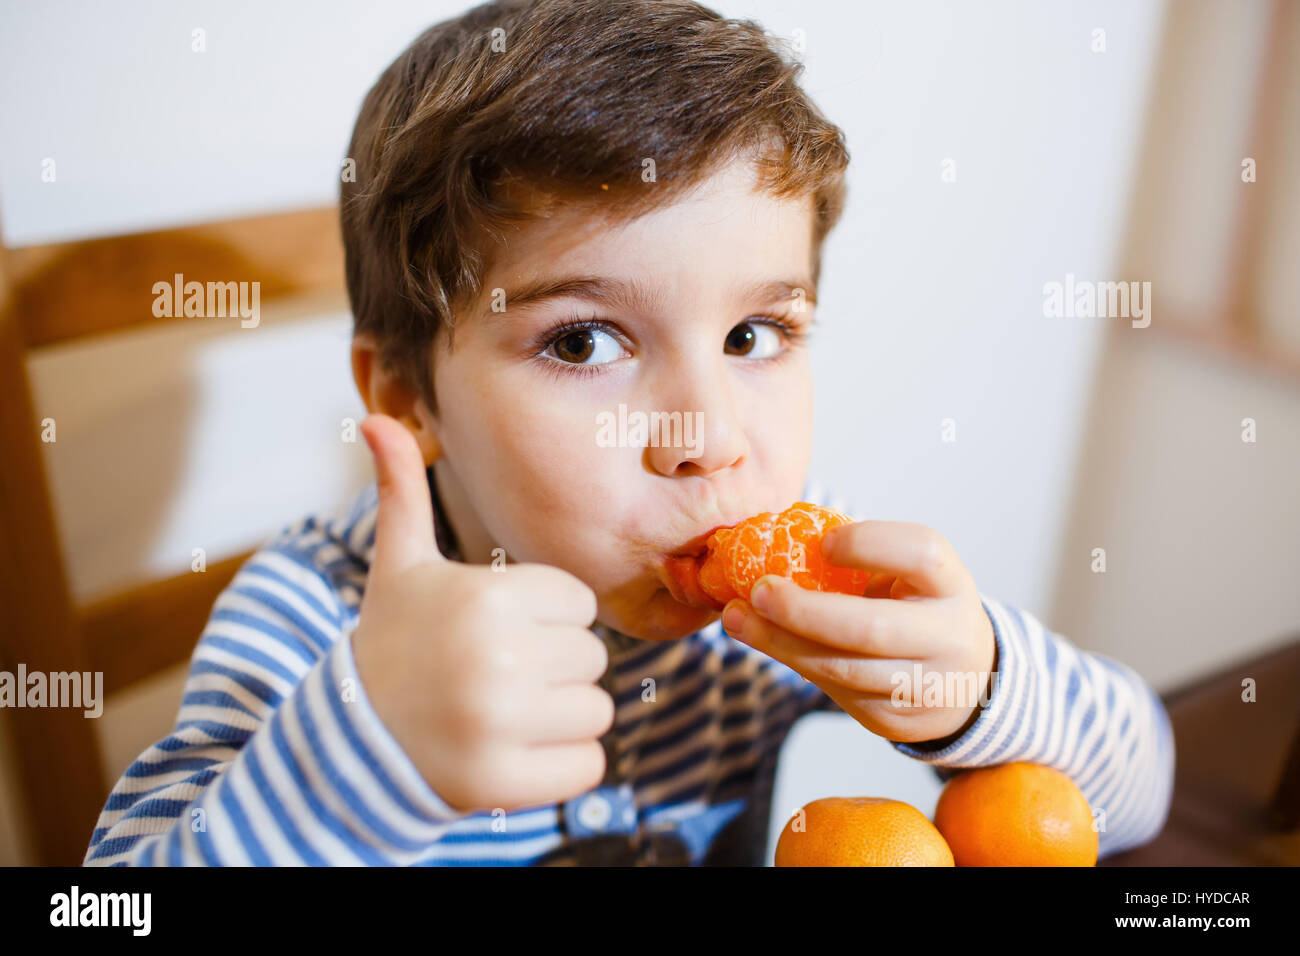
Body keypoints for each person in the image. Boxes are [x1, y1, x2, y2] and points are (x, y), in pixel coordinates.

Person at [85, 0, 1173, 866]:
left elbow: (1142, 782)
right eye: (583, 342)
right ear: (408, 397)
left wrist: (977, 687)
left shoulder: (768, 622)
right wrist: (359, 757)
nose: (707, 440)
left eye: (754, 332)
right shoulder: (316, 624)